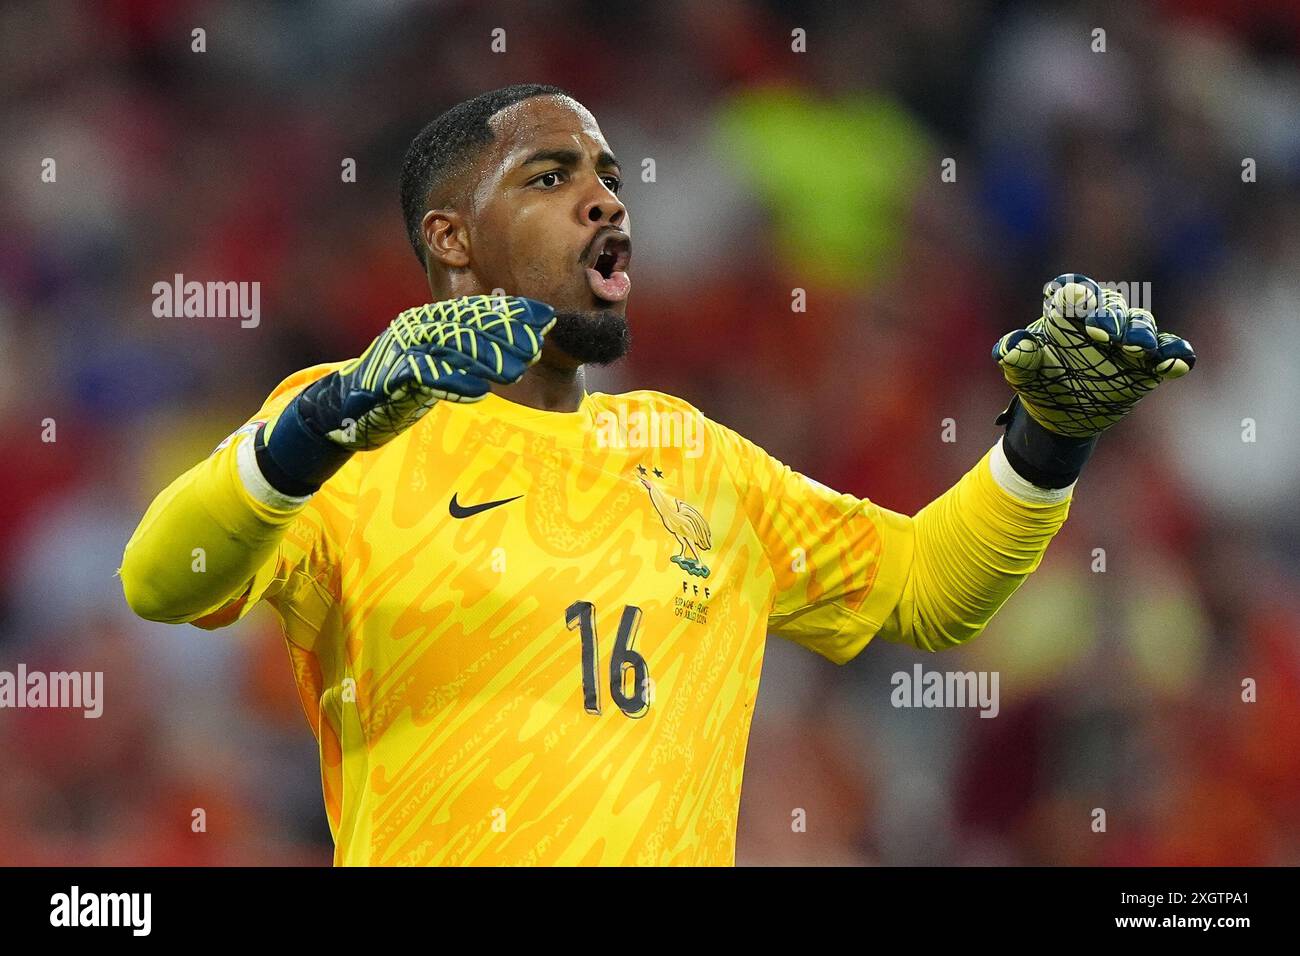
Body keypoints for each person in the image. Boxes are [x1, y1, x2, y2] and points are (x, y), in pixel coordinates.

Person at [119, 83, 1194, 866]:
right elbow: (163, 581)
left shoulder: (690, 451)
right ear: (451, 238)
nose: (604, 200)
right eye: (553, 177)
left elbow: (923, 588)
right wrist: (320, 423)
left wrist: (1046, 440)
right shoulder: (352, 427)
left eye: (611, 178)